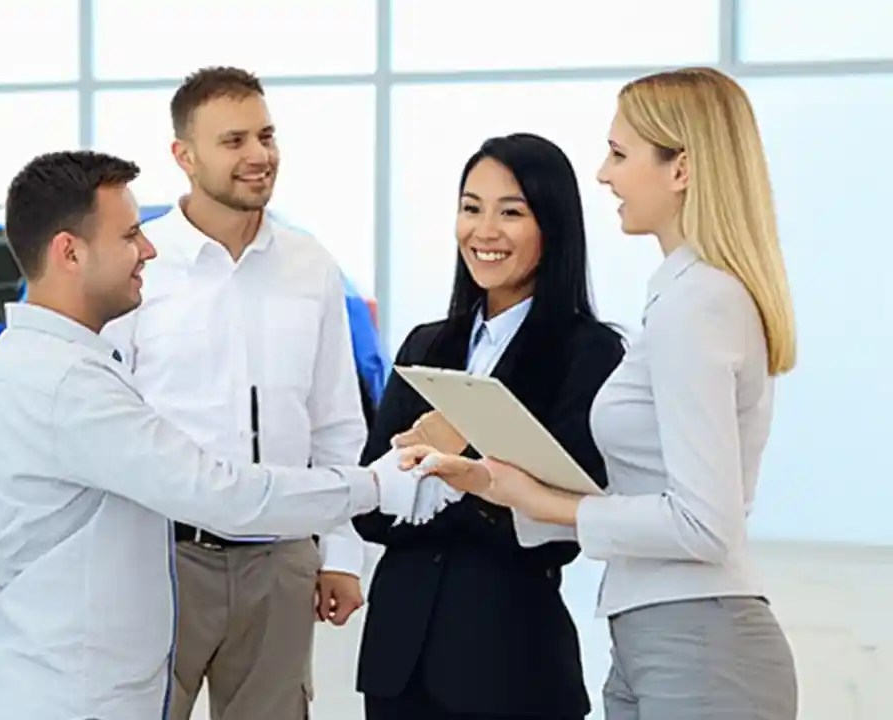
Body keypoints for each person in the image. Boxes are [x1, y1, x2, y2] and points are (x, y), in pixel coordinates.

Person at [0, 149, 425, 720]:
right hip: (79, 695)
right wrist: (377, 486)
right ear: (70, 252)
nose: (149, 250)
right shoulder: (67, 385)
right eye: (130, 235)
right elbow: (222, 494)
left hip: (94, 678)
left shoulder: (56, 358)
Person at [403, 67, 800, 719]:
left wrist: (543, 501)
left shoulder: (698, 304)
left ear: (681, 169)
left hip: (697, 640)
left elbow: (705, 525)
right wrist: (497, 484)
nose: (603, 175)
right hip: (650, 631)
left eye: (619, 154)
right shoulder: (682, 294)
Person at [100, 65, 372, 720]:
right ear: (183, 156)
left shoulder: (311, 265)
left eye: (266, 135)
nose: (259, 156)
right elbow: (109, 425)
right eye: (234, 141)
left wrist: (341, 554)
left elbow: (336, 423)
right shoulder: (142, 264)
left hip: (281, 560)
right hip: (161, 559)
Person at [351, 133, 625, 719]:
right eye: (471, 208)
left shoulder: (590, 354)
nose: (485, 231)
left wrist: (447, 464)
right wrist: (470, 480)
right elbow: (370, 509)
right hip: (400, 669)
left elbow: (561, 523)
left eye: (511, 212)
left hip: (511, 668)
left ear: (552, 226)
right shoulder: (427, 344)